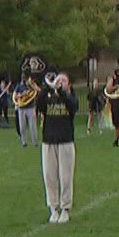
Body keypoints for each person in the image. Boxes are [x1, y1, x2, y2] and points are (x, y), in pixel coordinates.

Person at [38, 72, 78, 222]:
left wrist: (61, 91)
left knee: (65, 177)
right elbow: (39, 104)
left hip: (65, 141)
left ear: (69, 84)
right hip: (48, 141)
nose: (60, 82)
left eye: (64, 81)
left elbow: (72, 106)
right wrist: (47, 88)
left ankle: (65, 208)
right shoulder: (49, 99)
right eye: (58, 80)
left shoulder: (71, 97)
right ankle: (53, 208)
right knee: (49, 176)